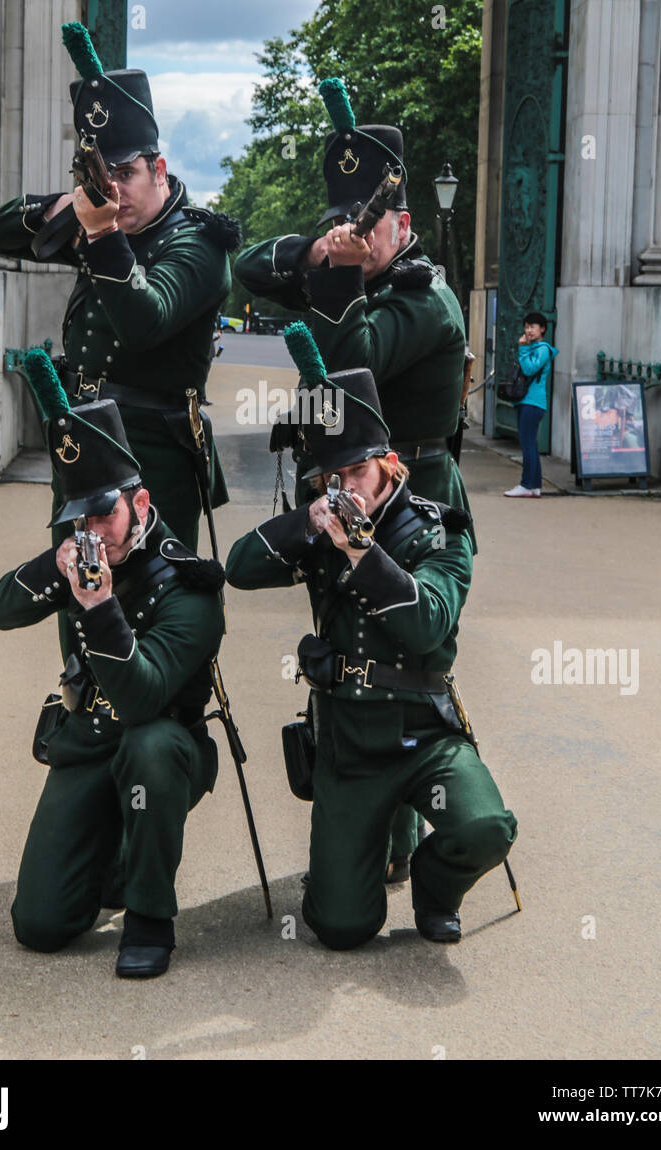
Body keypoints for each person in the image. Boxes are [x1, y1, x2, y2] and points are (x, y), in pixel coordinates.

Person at [234, 81, 475, 876]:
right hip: (341, 484)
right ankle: (353, 804)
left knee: (406, 648)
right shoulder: (346, 266)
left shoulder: (426, 298)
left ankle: (404, 840)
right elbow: (248, 268)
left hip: (413, 492)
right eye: (348, 222)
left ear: (403, 225)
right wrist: (315, 253)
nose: (358, 237)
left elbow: (347, 363)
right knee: (341, 630)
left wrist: (337, 276)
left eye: (372, 225)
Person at [226, 331, 517, 950]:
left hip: (424, 730)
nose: (347, 489)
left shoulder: (440, 530)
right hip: (349, 740)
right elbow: (240, 566)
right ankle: (352, 864)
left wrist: (361, 552)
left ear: (388, 462)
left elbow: (429, 622)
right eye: (331, 477)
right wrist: (309, 522)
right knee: (340, 927)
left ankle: (436, 888)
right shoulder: (321, 528)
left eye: (357, 471)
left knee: (488, 826)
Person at [0, 357, 224, 978]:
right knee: (38, 926)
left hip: (164, 744)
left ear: (140, 501)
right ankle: (110, 854)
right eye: (80, 520)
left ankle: (149, 917)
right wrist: (52, 567)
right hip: (89, 739)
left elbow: (143, 698)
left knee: (149, 751)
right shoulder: (77, 554)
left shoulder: (189, 586)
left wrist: (99, 606)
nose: (96, 534)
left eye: (106, 515)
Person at [0, 21, 238, 550]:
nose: (114, 191)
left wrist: (98, 229)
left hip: (153, 444)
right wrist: (61, 208)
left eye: (125, 174)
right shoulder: (99, 218)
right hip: (83, 431)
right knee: (78, 577)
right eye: (101, 179)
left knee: (159, 593)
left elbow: (146, 323)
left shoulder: (198, 241)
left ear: (158, 169)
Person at [504, 311, 558, 498]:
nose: (528, 330)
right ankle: (534, 485)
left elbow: (529, 368)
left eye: (532, 327)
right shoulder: (535, 347)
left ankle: (526, 485)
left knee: (527, 444)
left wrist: (522, 349)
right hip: (528, 402)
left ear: (542, 328)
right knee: (530, 445)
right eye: (527, 327)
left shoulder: (542, 349)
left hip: (532, 402)